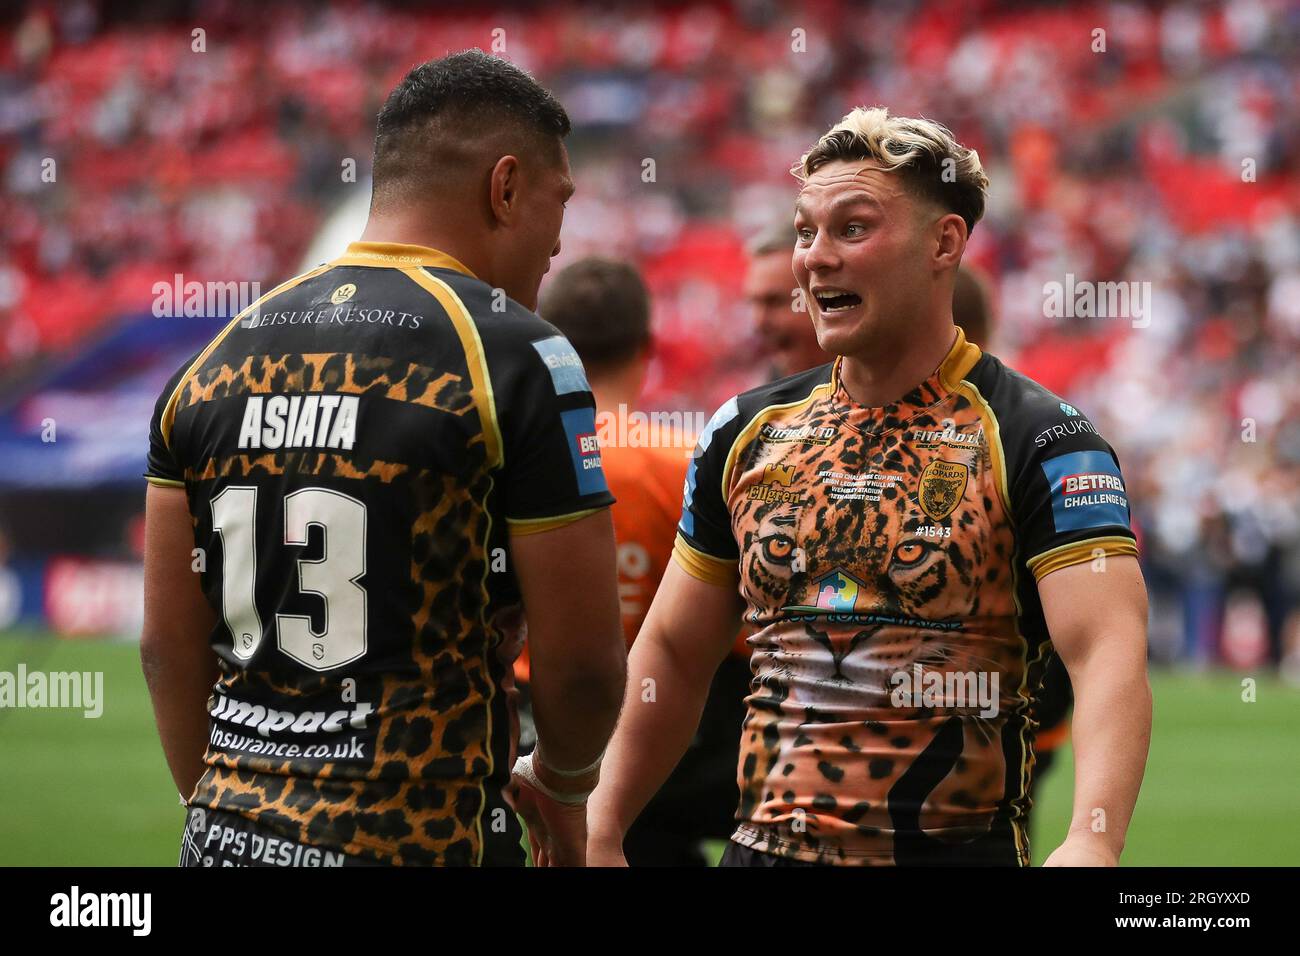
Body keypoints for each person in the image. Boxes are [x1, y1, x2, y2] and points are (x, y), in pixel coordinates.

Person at [588, 106, 1151, 867]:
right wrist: (604, 819)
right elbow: (675, 651)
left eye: (852, 228)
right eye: (804, 231)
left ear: (943, 243)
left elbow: (1107, 649)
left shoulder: (1045, 440)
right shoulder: (745, 430)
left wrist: (1094, 837)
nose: (815, 258)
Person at [141, 50, 626, 868]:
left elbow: (166, 647)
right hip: (421, 839)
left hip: (225, 839)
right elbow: (581, 669)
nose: (558, 241)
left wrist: (226, 814)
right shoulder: (519, 355)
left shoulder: (210, 363)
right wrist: (567, 787)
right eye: (560, 202)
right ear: (504, 187)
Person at [517, 256, 749, 865]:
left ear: (551, 342)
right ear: (648, 346)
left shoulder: (520, 456)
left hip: (536, 728)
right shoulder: (687, 463)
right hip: (674, 747)